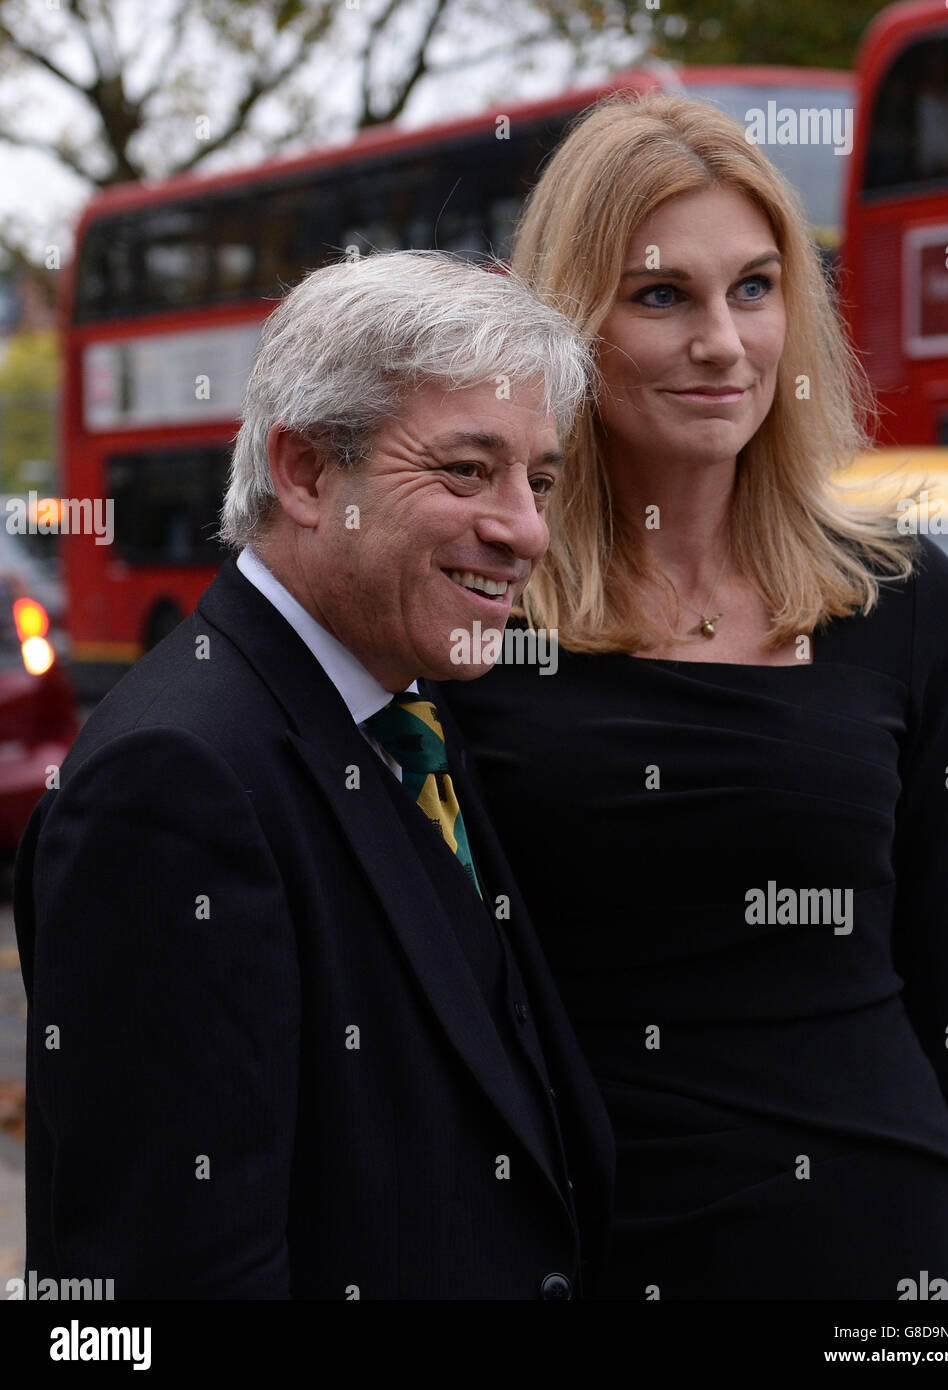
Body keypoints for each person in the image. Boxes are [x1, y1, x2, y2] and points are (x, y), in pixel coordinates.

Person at [435, 93, 948, 1299]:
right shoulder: (486, 608)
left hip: (873, 1230)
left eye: (754, 287)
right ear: (565, 326)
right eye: (661, 295)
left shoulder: (904, 602)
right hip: (575, 1230)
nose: (722, 341)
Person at [13, 250, 615, 1300]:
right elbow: (173, 1275)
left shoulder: (403, 705)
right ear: (302, 473)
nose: (525, 529)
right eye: (467, 471)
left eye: (540, 479)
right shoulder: (172, 783)